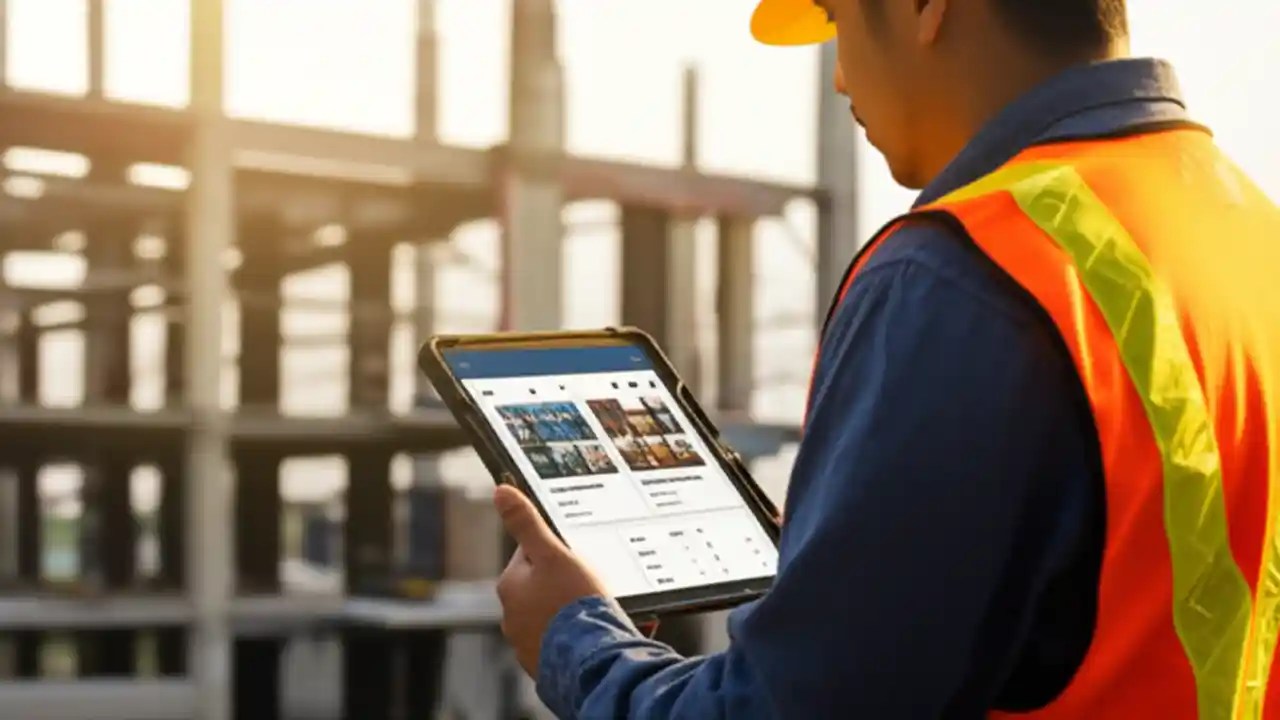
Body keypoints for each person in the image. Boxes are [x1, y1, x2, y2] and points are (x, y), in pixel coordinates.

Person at [491, 0, 1280, 717]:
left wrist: (576, 643)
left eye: (838, 20)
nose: (838, 78)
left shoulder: (960, 274)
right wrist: (849, 548)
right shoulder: (1243, 225)